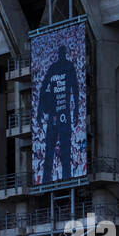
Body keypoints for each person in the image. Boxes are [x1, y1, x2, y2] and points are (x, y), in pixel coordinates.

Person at [38, 44, 79, 184]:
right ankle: (54, 180)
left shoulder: (58, 67)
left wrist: (40, 111)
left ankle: (59, 180)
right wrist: (77, 112)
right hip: (61, 114)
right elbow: (76, 90)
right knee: (58, 152)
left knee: (59, 152)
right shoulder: (66, 66)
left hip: (60, 113)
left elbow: (43, 90)